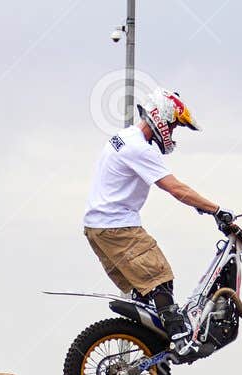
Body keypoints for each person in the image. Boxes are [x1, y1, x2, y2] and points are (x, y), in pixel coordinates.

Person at [83, 87, 230, 351]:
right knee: (160, 278)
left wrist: (200, 206)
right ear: (162, 116)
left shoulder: (124, 137)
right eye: (173, 126)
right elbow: (176, 188)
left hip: (98, 228)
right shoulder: (140, 149)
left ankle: (149, 347)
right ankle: (180, 339)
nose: (172, 133)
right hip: (117, 227)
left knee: (145, 295)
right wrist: (215, 209)